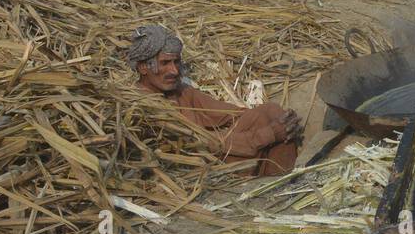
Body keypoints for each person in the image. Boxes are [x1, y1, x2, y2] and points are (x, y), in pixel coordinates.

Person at [127, 24, 302, 177]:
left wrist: (282, 123)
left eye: (176, 62)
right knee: (266, 125)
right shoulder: (142, 105)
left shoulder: (182, 92)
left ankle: (283, 180)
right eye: (165, 63)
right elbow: (200, 141)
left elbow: (230, 114)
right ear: (143, 67)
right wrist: (266, 135)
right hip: (197, 165)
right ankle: (276, 180)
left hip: (220, 148)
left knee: (271, 112)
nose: (174, 70)